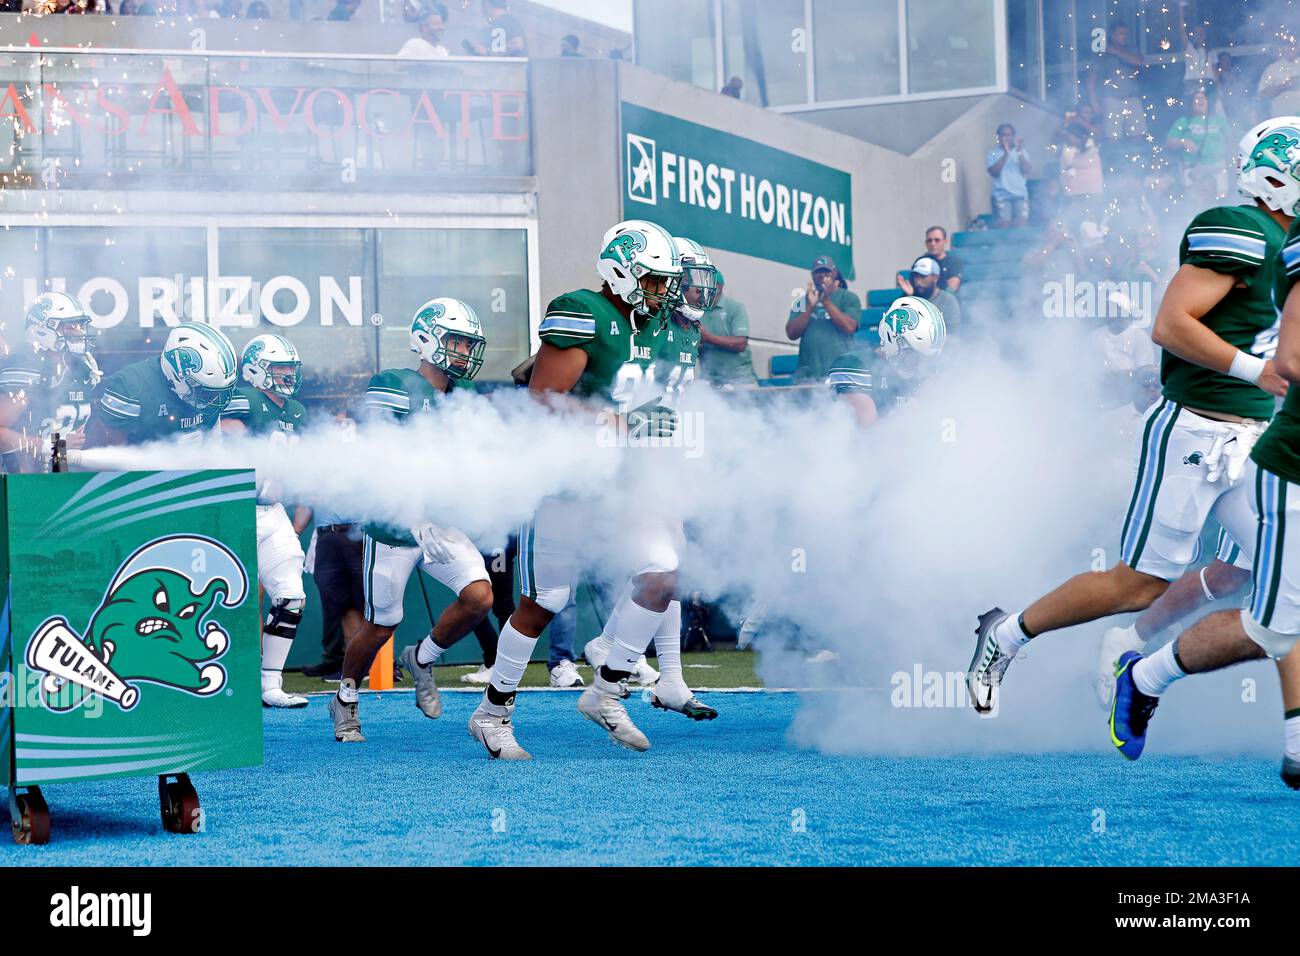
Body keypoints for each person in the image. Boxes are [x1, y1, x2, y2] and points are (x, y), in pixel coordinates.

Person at [966, 118, 1300, 727]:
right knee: (1137, 582)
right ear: (1280, 174)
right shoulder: (1244, 229)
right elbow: (1170, 325)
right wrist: (1257, 372)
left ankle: (1148, 668)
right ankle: (1005, 635)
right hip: (1195, 429)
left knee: (1270, 575)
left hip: (1252, 443)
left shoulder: (1289, 246)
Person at [467, 220, 683, 760]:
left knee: (662, 577)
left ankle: (606, 692)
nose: (661, 293)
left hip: (619, 482)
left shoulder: (650, 327)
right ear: (622, 271)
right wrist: (615, 421)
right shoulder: (584, 310)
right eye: (653, 281)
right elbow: (544, 396)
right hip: (565, 480)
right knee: (544, 603)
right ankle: (492, 713)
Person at [1111, 205, 1300, 788]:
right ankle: (1144, 673)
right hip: (1286, 463)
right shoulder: (1270, 243)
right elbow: (1289, 359)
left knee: (1261, 603)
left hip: (1253, 443)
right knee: (1270, 619)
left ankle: (1149, 676)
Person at [328, 299, 495, 744]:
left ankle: (422, 657)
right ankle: (345, 698)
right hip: (393, 527)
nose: (462, 351)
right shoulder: (394, 385)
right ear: (426, 340)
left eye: (467, 343)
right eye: (455, 341)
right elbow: (376, 457)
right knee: (382, 625)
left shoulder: (465, 397)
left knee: (479, 597)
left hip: (439, 524)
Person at [582, 236, 719, 720]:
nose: (698, 293)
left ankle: (661, 673)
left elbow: (685, 397)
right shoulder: (647, 324)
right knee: (662, 564)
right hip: (625, 456)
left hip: (663, 450)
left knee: (668, 565)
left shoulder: (687, 332)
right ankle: (631, 661)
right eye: (689, 281)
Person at [218, 335, 313, 708]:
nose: (288, 374)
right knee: (230, 599)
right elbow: (228, 436)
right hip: (237, 508)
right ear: (256, 369)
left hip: (273, 511)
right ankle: (228, 678)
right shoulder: (244, 398)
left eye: (291, 367)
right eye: (279, 367)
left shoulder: (296, 411)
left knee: (291, 597)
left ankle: (270, 685)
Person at [87, 322, 236, 447]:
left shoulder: (213, 396)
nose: (214, 399)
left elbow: (215, 451)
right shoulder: (131, 386)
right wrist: (166, 455)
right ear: (178, 376)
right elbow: (112, 459)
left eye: (218, 392)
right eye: (205, 392)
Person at [0, 293, 100, 474]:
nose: (79, 331)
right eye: (69, 325)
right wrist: (54, 446)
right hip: (22, 482)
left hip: (58, 476)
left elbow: (66, 439)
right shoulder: (27, 364)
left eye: (79, 324)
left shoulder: (81, 365)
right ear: (42, 330)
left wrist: (59, 452)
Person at [827, 296, 945, 428]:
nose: (920, 364)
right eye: (916, 355)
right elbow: (868, 435)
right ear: (894, 339)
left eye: (925, 358)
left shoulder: (921, 375)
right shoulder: (854, 364)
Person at [786, 254, 861, 383]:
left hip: (840, 374)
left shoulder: (849, 298)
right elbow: (791, 333)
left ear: (835, 273)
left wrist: (826, 302)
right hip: (807, 376)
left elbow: (849, 327)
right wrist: (810, 307)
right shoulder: (802, 301)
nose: (822, 275)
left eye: (826, 271)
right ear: (812, 275)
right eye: (818, 272)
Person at [1166, 89, 1230, 205]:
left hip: (1218, 169)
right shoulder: (1183, 121)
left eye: (1202, 98)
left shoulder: (1218, 120)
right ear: (1191, 104)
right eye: (1196, 99)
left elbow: (1230, 140)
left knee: (1220, 201)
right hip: (1193, 170)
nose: (1200, 101)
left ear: (1208, 102)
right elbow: (1169, 142)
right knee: (1194, 202)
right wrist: (1183, 142)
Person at [1087, 22, 1146, 142]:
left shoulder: (1132, 50)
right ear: (1112, 35)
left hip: (1132, 98)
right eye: (1121, 34)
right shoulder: (1103, 55)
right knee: (1112, 136)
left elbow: (1139, 62)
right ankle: (1115, 160)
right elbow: (1091, 80)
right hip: (1111, 99)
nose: (1124, 36)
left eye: (1126, 33)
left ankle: (1137, 158)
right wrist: (1094, 103)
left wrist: (1117, 52)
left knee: (1138, 135)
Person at [698, 271, 757, 387]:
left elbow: (740, 344)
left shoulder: (736, 308)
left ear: (719, 287)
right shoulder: (696, 311)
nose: (701, 289)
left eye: (706, 284)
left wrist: (707, 338)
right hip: (709, 382)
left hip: (740, 381)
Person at [896, 256, 960, 331]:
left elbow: (953, 334)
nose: (918, 282)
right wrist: (907, 297)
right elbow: (895, 325)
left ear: (936, 277)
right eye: (916, 277)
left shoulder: (948, 301)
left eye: (923, 277)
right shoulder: (910, 298)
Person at [986, 123, 1031, 228]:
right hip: (1001, 196)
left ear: (1013, 136)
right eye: (1003, 135)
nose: (1006, 138)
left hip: (1020, 195)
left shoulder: (1021, 151)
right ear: (998, 137)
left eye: (1008, 135)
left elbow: (1027, 169)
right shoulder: (993, 153)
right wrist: (1006, 154)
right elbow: (994, 172)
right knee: (1004, 226)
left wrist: (1019, 153)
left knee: (1021, 226)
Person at [1258, 39, 1300, 118]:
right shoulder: (1272, 69)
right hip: (1283, 119)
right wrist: (1285, 86)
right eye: (1287, 46)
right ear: (1282, 49)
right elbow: (1262, 94)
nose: (1291, 48)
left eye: (1293, 45)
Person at [921, 227, 962, 294]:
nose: (933, 243)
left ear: (945, 241)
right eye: (929, 241)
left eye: (937, 240)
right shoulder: (921, 262)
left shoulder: (954, 262)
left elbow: (951, 288)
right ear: (926, 243)